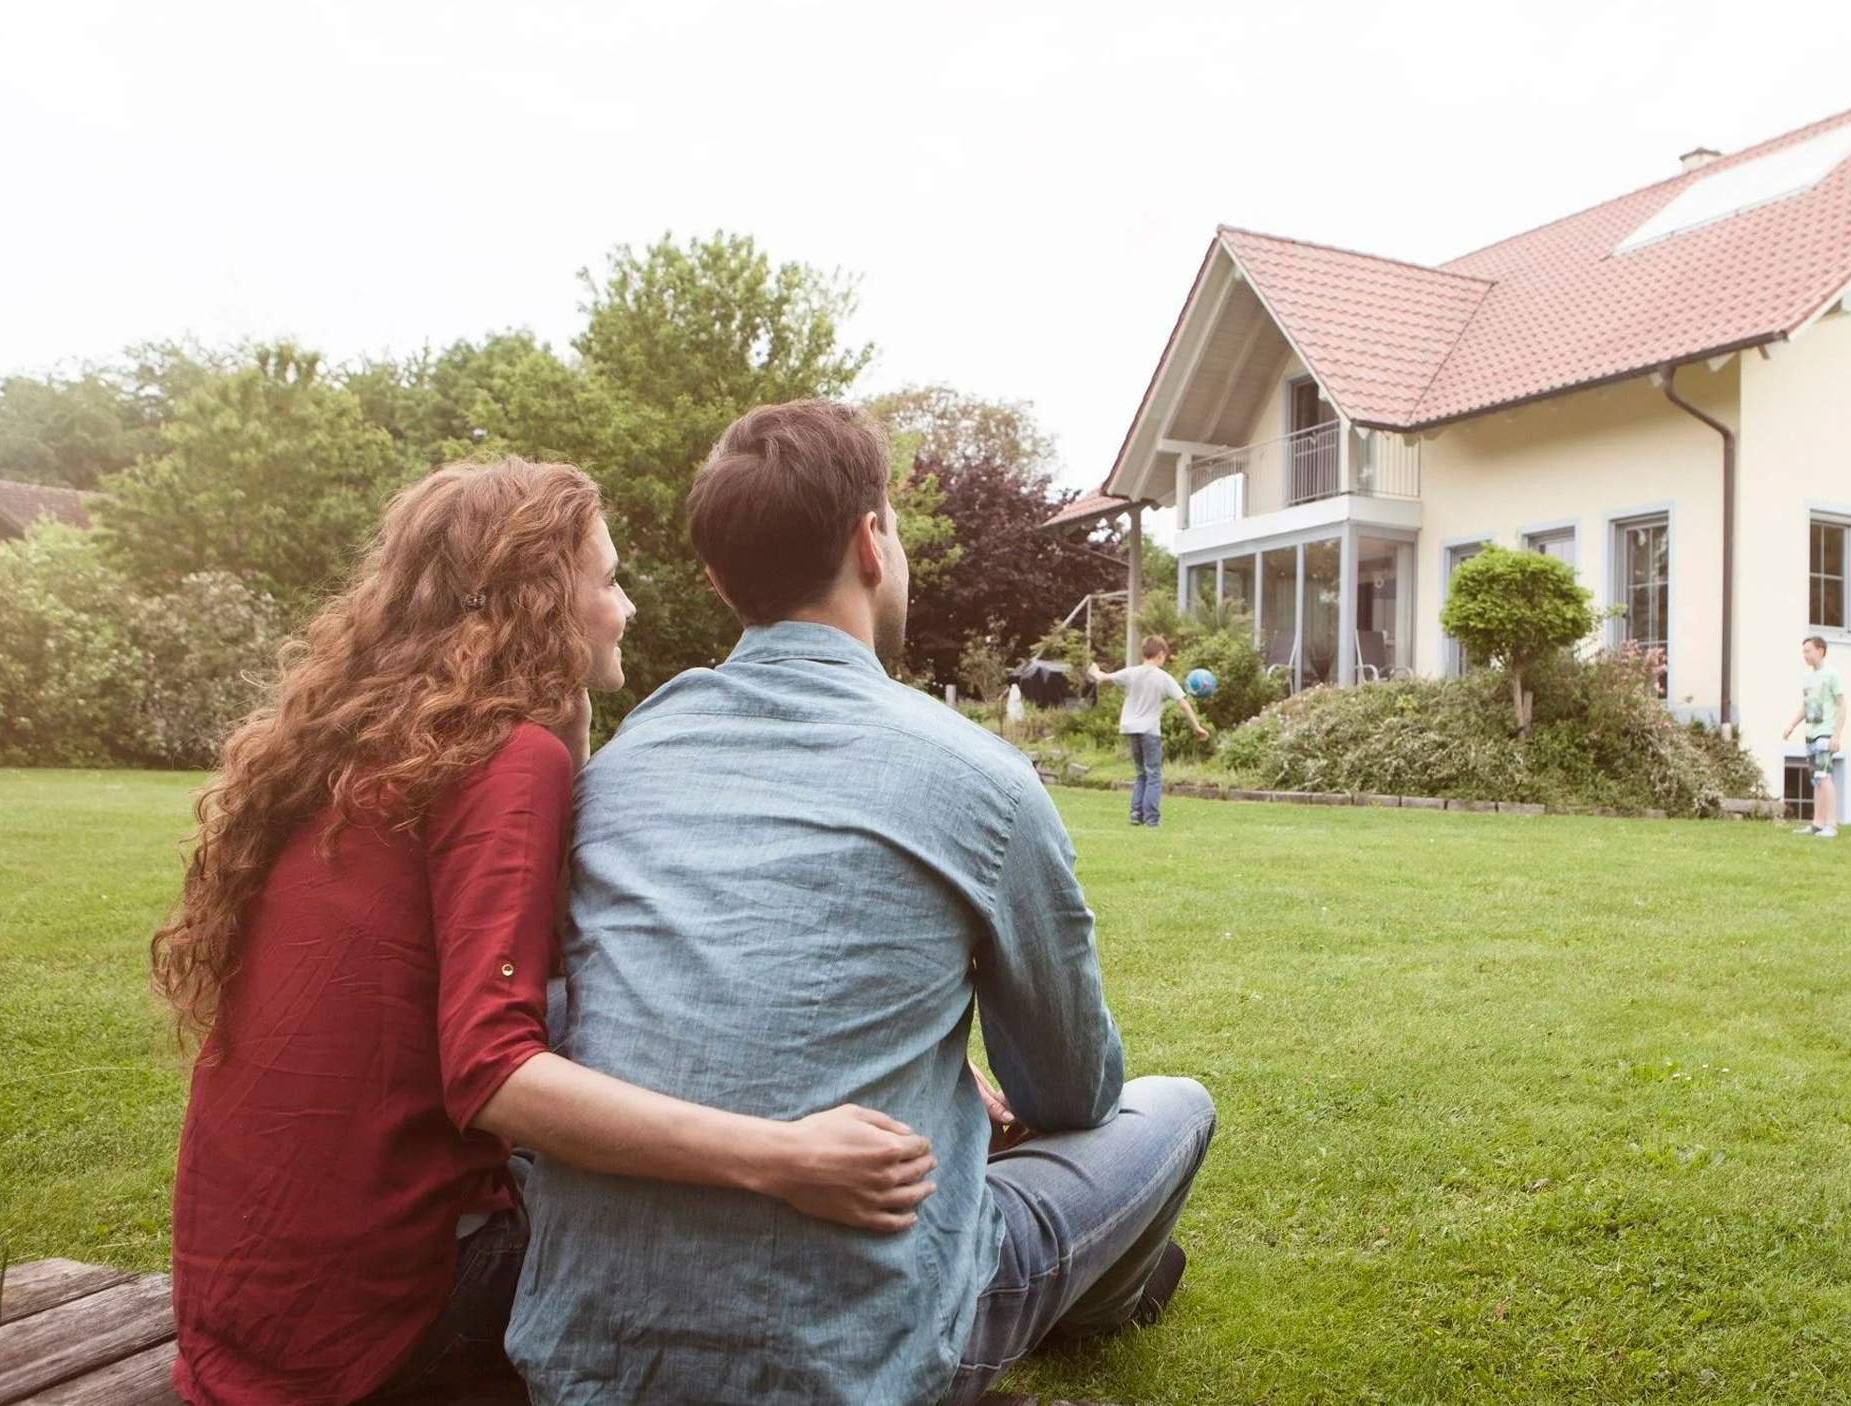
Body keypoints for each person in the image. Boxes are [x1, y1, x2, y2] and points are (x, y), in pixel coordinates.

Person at [159, 459, 939, 1406]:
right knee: (699, 1237)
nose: (628, 610)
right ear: (541, 604)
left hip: (245, 1315)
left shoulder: (368, 745)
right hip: (382, 1332)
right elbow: (495, 1075)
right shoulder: (503, 759)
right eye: (607, 582)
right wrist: (782, 1159)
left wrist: (567, 726)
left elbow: (565, 958)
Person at [509, 401, 1216, 1406]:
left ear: (719, 581)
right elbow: (1069, 1093)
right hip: (862, 1358)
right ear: (869, 541)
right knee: (1173, 1108)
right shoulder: (980, 775)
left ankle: (1118, 1276)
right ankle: (1116, 1283)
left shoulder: (625, 764)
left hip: (587, 1355)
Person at [1087, 636, 1210, 827]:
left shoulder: (1131, 673)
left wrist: (1094, 670)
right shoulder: (1163, 677)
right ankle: (1152, 818)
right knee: (1154, 774)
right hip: (1150, 730)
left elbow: (1103, 677)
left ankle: (1136, 814)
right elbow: (1184, 704)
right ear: (1161, 654)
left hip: (1130, 728)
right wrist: (1197, 727)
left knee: (1140, 773)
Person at [1780, 635, 1848, 838]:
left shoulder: (1831, 675)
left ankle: (1831, 825)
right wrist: (1792, 724)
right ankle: (1817, 824)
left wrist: (1836, 735)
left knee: (1824, 776)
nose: (1805, 655)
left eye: (1808, 651)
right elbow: (1808, 706)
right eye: (1803, 652)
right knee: (1816, 779)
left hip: (1825, 733)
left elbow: (1842, 705)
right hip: (1811, 733)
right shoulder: (1808, 677)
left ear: (1820, 650)